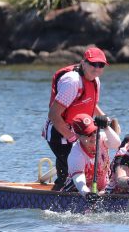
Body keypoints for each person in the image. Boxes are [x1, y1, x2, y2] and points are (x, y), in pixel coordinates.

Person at [43, 46, 108, 190]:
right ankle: (55, 202)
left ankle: (88, 192)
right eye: (93, 64)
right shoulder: (72, 82)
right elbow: (53, 115)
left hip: (79, 130)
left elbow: (92, 105)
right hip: (58, 131)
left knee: (86, 168)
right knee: (69, 173)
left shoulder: (95, 81)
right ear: (83, 63)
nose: (97, 68)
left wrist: (105, 121)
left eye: (101, 65)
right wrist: (72, 138)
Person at [63, 113, 120, 197]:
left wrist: (106, 127)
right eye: (88, 134)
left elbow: (116, 144)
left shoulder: (101, 138)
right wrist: (87, 194)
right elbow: (79, 180)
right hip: (78, 191)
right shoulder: (76, 154)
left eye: (95, 131)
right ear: (77, 135)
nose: (93, 136)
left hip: (102, 188)